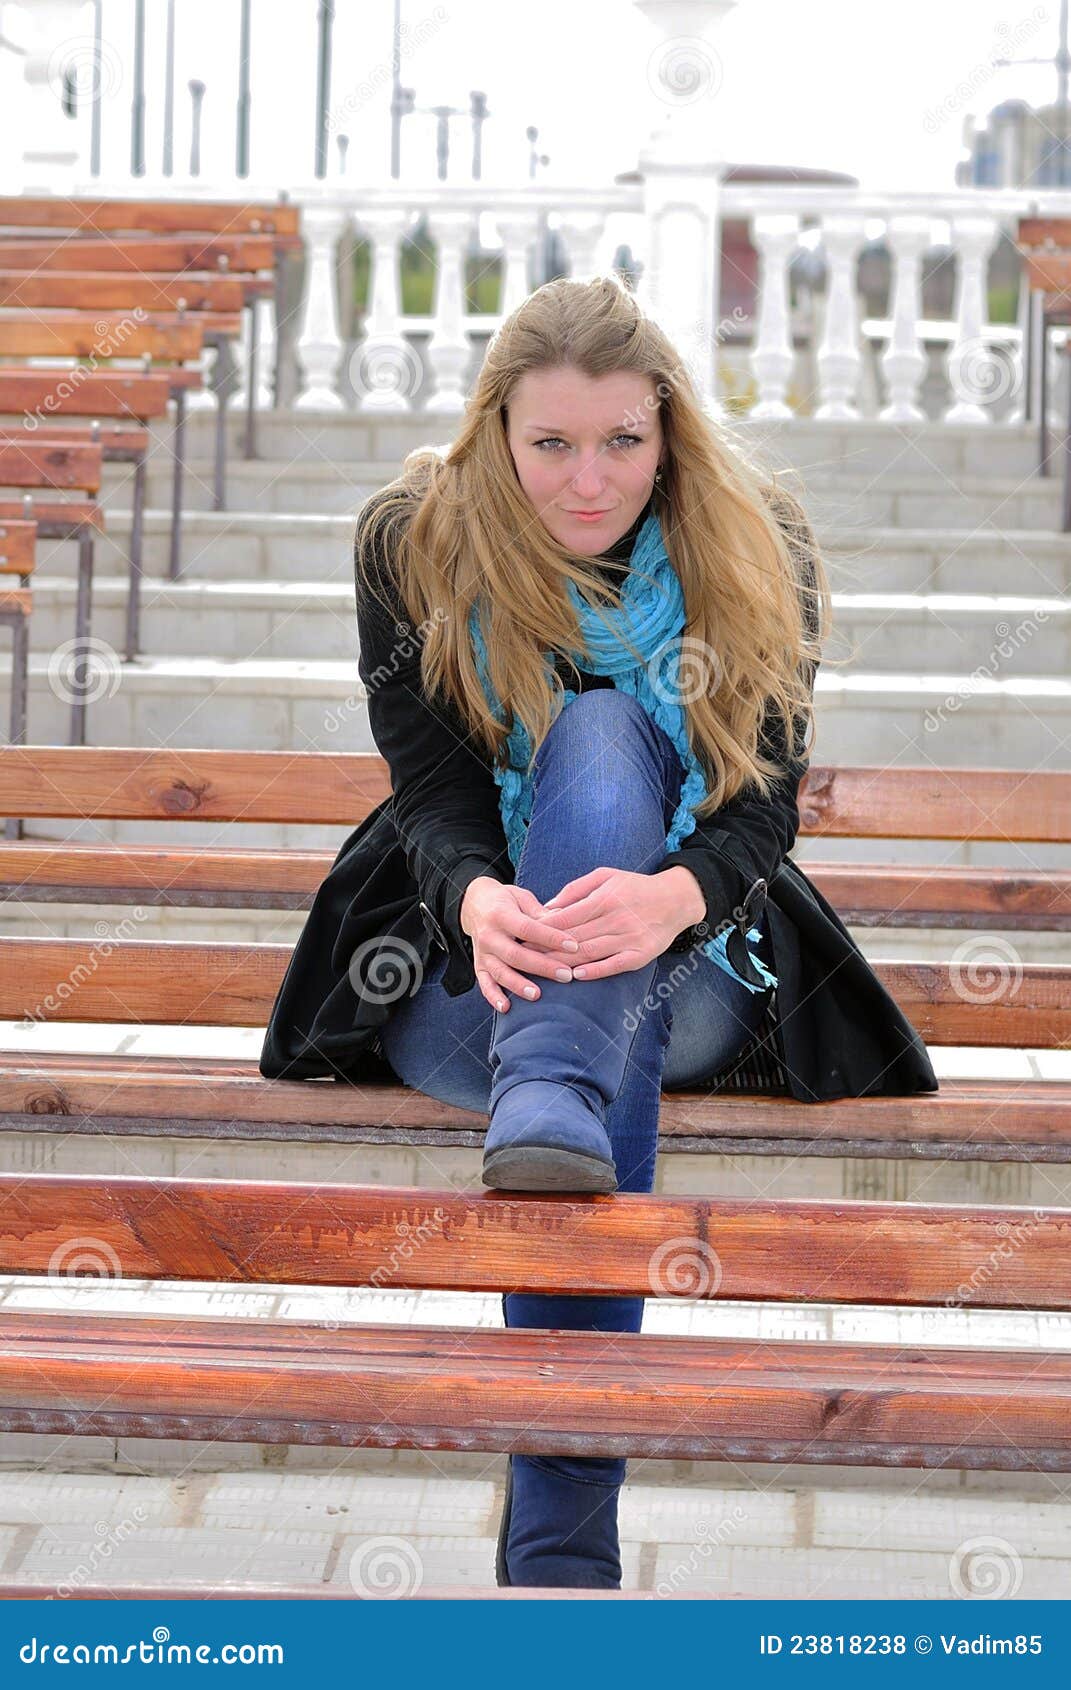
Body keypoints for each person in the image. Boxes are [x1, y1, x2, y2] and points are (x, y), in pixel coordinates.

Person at [259, 273, 938, 1590]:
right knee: (582, 991)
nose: (587, 481)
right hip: (473, 976)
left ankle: (559, 1087)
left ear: (670, 429)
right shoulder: (416, 541)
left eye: (624, 440)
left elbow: (761, 810)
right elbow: (434, 789)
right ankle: (565, 1545)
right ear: (494, 432)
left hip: (693, 969)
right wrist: (472, 896)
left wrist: (670, 894)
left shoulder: (756, 546)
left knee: (601, 733)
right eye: (551, 444)